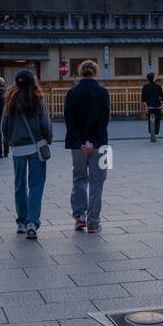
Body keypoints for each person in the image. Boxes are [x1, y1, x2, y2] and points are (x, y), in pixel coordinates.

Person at [3, 69, 52, 239]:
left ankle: (21, 222)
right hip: (35, 146)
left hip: (18, 148)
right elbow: (45, 123)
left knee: (19, 185)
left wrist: (10, 141)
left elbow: (4, 125)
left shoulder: (10, 100)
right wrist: (48, 139)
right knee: (36, 186)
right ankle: (32, 222)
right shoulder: (38, 100)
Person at [64, 60, 110, 234]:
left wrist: (80, 142)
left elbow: (69, 120)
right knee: (98, 182)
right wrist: (95, 141)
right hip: (101, 144)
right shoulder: (103, 92)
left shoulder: (72, 92)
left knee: (79, 179)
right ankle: (93, 222)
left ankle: (79, 217)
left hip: (77, 145)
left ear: (80, 72)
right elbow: (105, 120)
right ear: (95, 72)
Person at [140, 71, 163, 139]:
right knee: (157, 120)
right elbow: (162, 97)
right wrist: (162, 106)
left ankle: (151, 131)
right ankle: (156, 131)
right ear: (153, 78)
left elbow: (143, 98)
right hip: (157, 106)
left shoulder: (145, 86)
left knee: (150, 120)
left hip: (149, 106)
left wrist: (146, 107)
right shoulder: (158, 86)